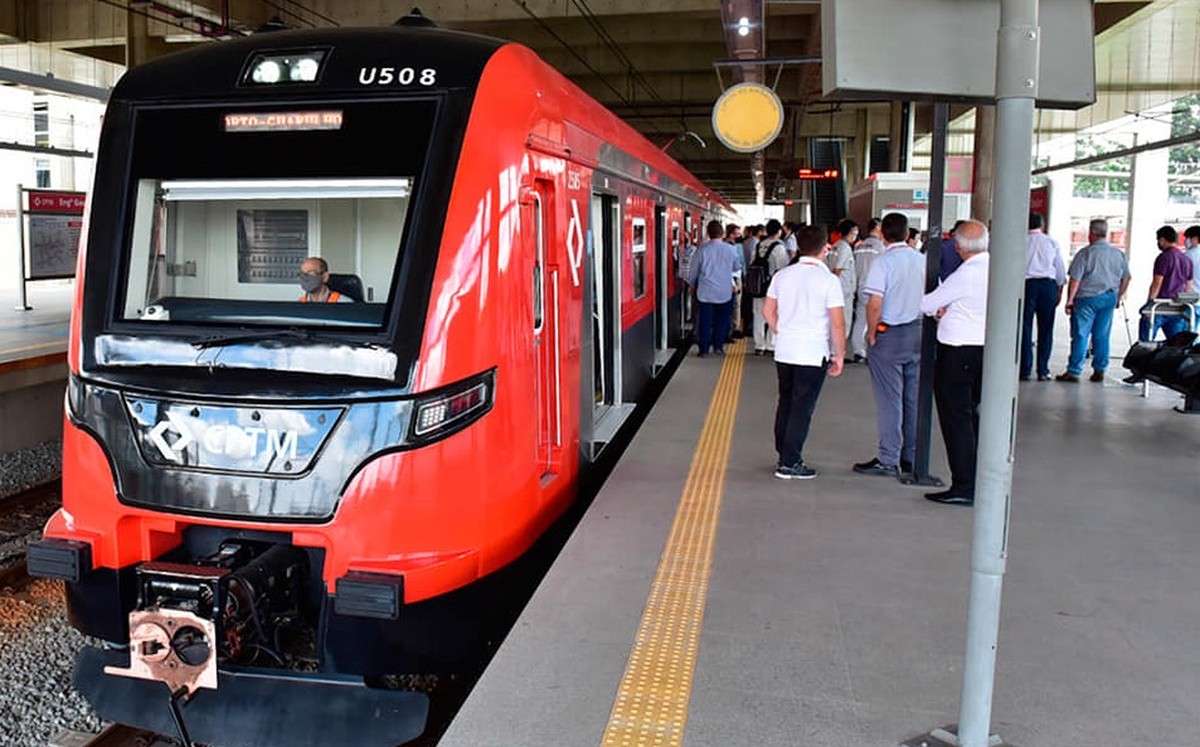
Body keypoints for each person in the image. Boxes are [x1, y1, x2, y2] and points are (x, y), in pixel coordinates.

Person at [761, 225, 845, 479]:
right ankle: (790, 462)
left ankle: (783, 453)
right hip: (812, 352)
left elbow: (767, 311)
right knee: (802, 408)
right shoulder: (829, 281)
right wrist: (839, 354)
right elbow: (837, 323)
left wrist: (782, 330)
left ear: (797, 247)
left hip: (785, 350)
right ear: (825, 248)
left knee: (785, 402)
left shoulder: (782, 276)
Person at [920, 220, 989, 507]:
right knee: (973, 416)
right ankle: (979, 479)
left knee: (956, 420)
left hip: (958, 352)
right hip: (986, 351)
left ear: (958, 247)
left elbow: (927, 304)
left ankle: (964, 485)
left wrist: (942, 308)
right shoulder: (997, 268)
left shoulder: (967, 274)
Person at [853, 212, 924, 479]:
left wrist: (871, 335)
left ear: (882, 234)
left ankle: (888, 457)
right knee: (913, 398)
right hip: (918, 332)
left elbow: (874, 304)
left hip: (890, 335)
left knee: (889, 399)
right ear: (908, 235)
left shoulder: (883, 263)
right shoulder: (923, 260)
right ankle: (912, 455)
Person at [1057, 218, 1130, 383]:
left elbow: (1075, 280)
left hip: (1086, 299)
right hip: (1109, 298)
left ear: (1091, 234)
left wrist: (1069, 300)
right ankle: (1100, 370)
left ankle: (1074, 371)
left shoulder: (1085, 254)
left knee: (1081, 335)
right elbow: (1126, 278)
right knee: (1102, 335)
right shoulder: (1118, 254)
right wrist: (1118, 296)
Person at [1020, 212, 1066, 382]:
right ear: (1042, 225)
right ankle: (1043, 370)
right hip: (1047, 286)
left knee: (1024, 327)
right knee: (1046, 329)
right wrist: (1060, 288)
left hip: (1026, 285)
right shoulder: (1051, 242)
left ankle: (1025, 369)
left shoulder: (1021, 241)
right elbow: (1059, 268)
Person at [686, 220, 742, 357]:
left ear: (708, 233)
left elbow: (693, 270)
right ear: (722, 233)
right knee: (722, 321)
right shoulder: (731, 250)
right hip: (724, 292)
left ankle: (704, 350)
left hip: (705, 292)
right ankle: (718, 347)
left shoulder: (701, 250)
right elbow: (737, 267)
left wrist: (691, 285)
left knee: (704, 322)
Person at [1137, 225, 1194, 341]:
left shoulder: (1164, 258)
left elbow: (1157, 283)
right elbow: (1189, 287)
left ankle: (1144, 359)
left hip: (1159, 306)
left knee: (1146, 342)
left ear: (1162, 240)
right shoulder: (1187, 260)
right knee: (1177, 344)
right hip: (1177, 308)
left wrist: (1149, 304)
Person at [750, 219, 791, 355]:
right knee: (774, 315)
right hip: (773, 288)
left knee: (758, 315)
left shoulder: (758, 245)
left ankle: (759, 346)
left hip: (758, 286)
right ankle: (770, 345)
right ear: (779, 231)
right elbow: (782, 269)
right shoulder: (779, 247)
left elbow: (752, 264)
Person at [850, 218, 884, 362]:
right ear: (877, 228)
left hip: (860, 286)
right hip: (876, 289)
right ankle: (872, 349)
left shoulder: (859, 246)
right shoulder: (880, 247)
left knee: (860, 320)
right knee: (875, 321)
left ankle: (858, 350)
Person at [827, 219, 858, 359]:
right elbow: (838, 269)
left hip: (836, 290)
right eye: (855, 232)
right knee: (843, 321)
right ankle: (836, 352)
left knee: (832, 320)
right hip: (842, 290)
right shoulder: (845, 248)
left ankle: (831, 350)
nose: (856, 235)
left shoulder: (835, 246)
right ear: (850, 233)